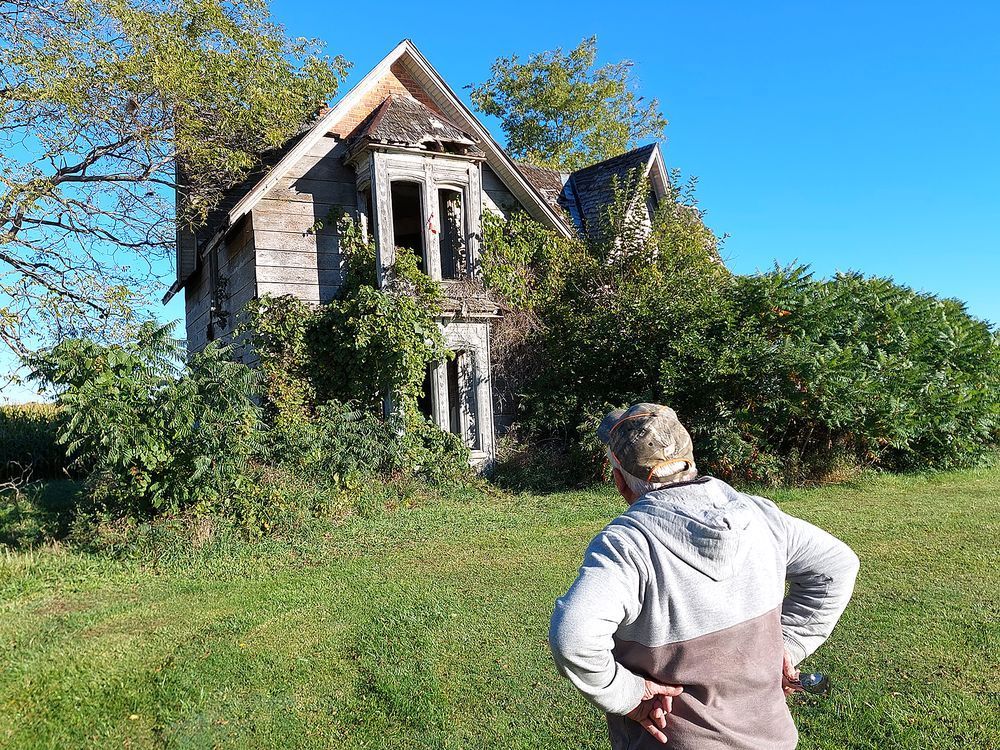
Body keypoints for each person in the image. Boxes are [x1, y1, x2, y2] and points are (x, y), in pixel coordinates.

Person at [549, 403, 860, 749]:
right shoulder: (761, 516)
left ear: (620, 480)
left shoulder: (627, 544)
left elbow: (574, 638)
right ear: (689, 458)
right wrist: (788, 643)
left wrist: (630, 696)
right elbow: (837, 565)